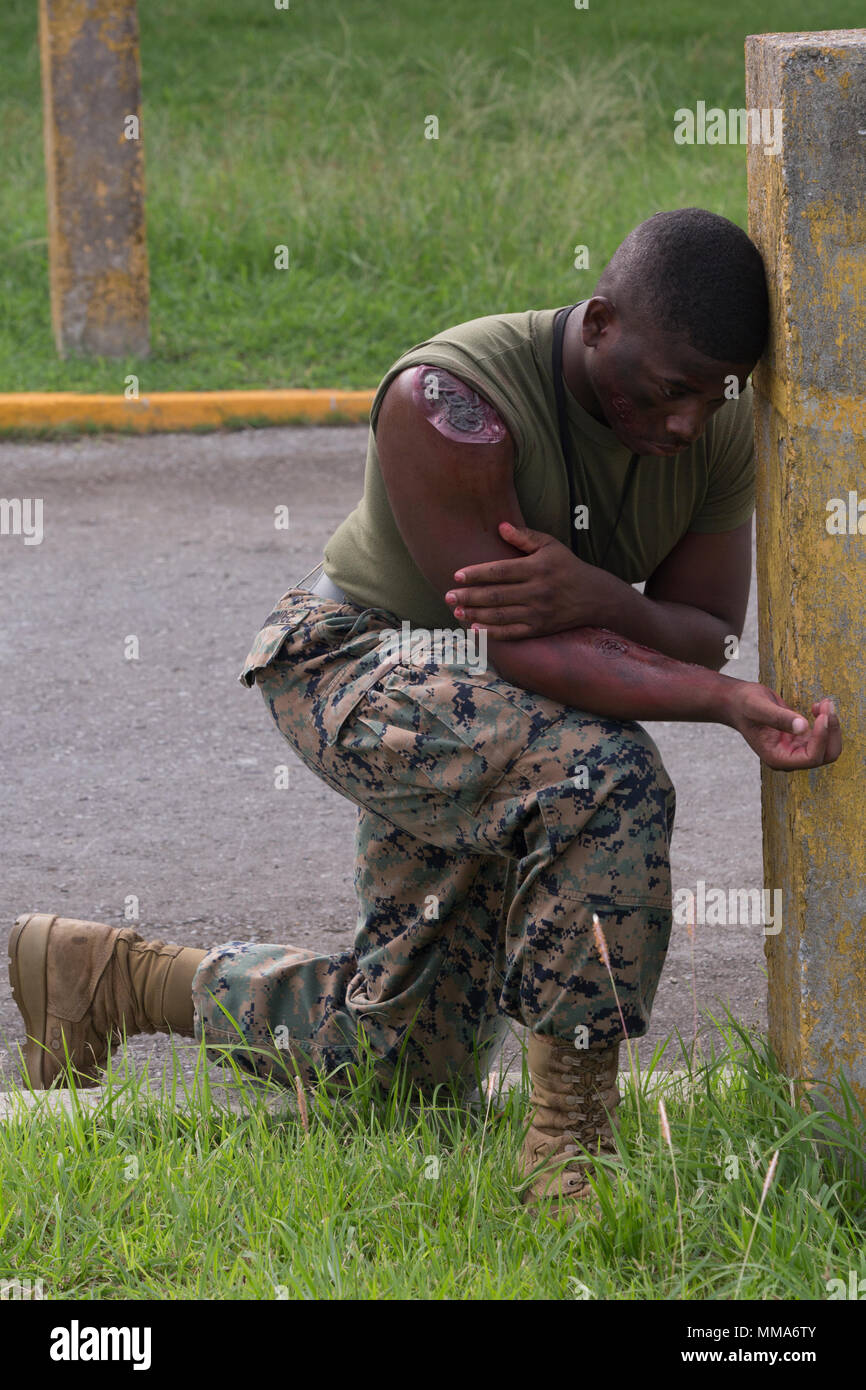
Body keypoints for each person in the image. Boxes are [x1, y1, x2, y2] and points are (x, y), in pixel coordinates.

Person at [9, 208, 842, 1219]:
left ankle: (115, 977)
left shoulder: (706, 429)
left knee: (402, 1069)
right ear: (599, 321)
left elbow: (702, 625)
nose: (681, 424)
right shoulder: (450, 399)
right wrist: (712, 697)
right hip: (358, 662)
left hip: (499, 708)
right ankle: (569, 1154)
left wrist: (598, 597)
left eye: (708, 398)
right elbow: (506, 638)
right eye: (665, 389)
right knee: (600, 779)